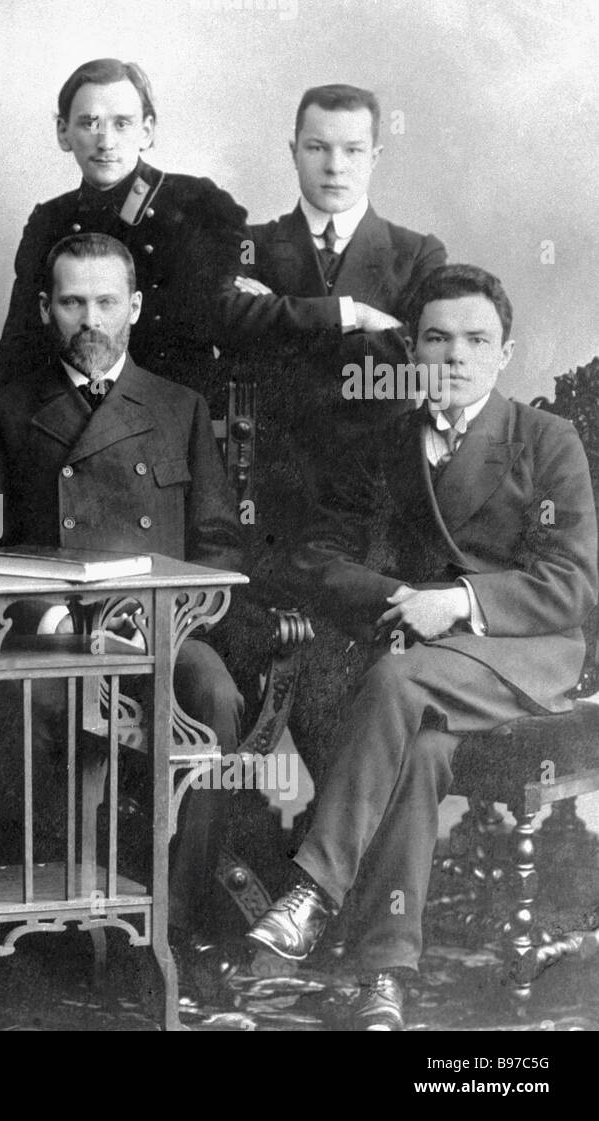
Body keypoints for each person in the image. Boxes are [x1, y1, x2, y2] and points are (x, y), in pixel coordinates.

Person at [247, 265, 598, 1030]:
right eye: (437, 339)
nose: (456, 357)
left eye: (477, 340)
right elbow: (316, 556)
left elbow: (574, 583)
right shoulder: (385, 441)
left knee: (401, 684)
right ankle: (387, 977)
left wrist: (459, 602)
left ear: (507, 352)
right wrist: (399, 601)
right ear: (412, 349)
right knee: (420, 750)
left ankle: (313, 887)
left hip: (525, 656)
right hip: (422, 667)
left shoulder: (547, 440)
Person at [0, 232, 246, 959]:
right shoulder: (6, 411)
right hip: (51, 632)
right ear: (45, 308)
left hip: (162, 628)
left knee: (212, 697)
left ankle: (176, 923)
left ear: (136, 307)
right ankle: (62, 924)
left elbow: (216, 541)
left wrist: (179, 620)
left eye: (106, 302)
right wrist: (48, 611)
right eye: (72, 302)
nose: (90, 319)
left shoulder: (180, 407)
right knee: (37, 705)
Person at [216, 83, 449, 789]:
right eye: (317, 147)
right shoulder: (249, 244)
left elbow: (415, 364)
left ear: (376, 155)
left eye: (352, 150)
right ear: (293, 150)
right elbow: (224, 320)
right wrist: (350, 314)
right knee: (249, 709)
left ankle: (341, 874)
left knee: (353, 724)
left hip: (372, 515)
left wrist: (282, 323)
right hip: (264, 509)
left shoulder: (416, 253)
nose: (334, 165)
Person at [0, 58, 246, 402]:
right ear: (63, 133)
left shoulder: (199, 205)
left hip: (174, 416)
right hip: (71, 412)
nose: (106, 142)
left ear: (147, 131)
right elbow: (19, 348)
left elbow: (240, 320)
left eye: (122, 124)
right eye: (89, 123)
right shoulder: (48, 222)